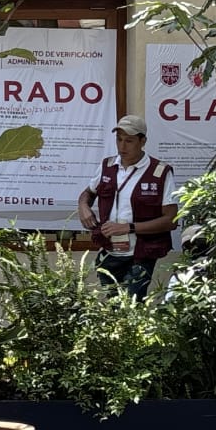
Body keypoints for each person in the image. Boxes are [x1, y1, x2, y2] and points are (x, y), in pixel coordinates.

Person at [77, 114, 177, 301]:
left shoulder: (160, 172)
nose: (122, 146)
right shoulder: (107, 166)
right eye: (119, 139)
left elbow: (170, 220)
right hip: (110, 251)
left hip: (141, 253)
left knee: (132, 304)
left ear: (142, 141)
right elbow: (88, 193)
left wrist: (128, 227)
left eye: (129, 141)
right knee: (113, 304)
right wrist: (83, 206)